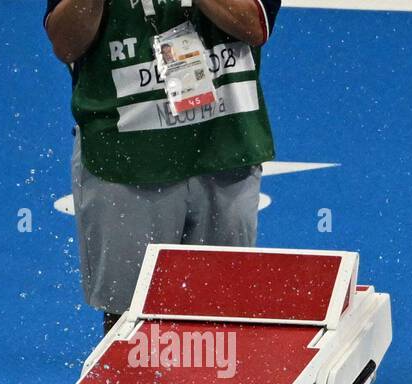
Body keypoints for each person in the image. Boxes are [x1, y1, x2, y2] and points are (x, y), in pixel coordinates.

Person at [45, 0, 281, 335]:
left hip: (222, 148)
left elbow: (253, 25)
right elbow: (66, 44)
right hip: (125, 155)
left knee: (221, 314)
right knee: (128, 321)